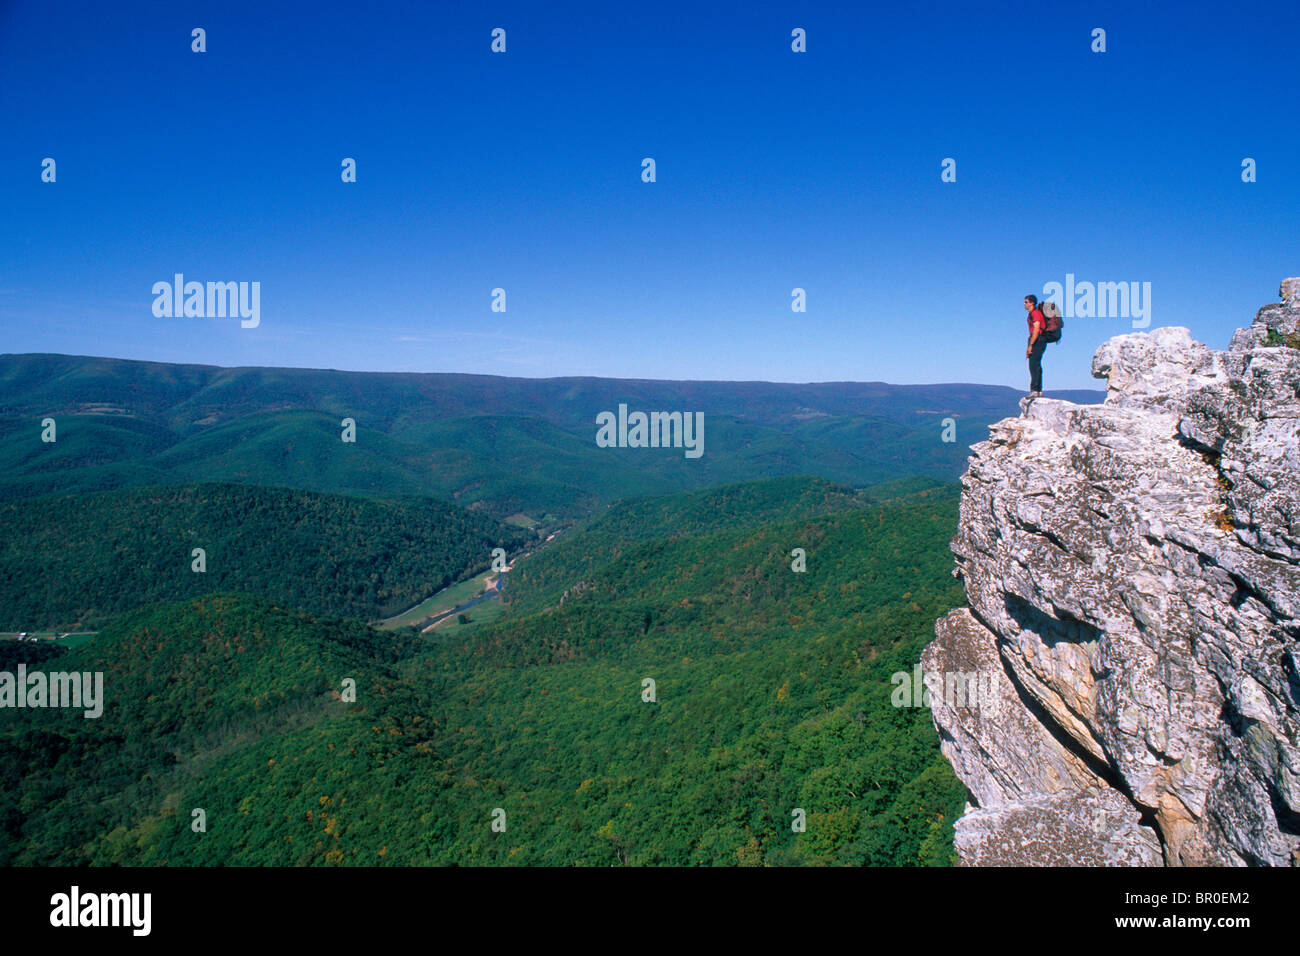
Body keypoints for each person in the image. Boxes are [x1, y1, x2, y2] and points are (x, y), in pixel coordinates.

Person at [1024, 294, 1049, 397]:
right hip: (1037, 339)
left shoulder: (1035, 314)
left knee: (1034, 365)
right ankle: (1038, 390)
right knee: (1036, 364)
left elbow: (1036, 329)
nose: (1024, 304)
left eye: (1026, 302)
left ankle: (1035, 390)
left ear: (1032, 303)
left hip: (1038, 339)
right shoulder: (1032, 314)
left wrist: (1031, 345)